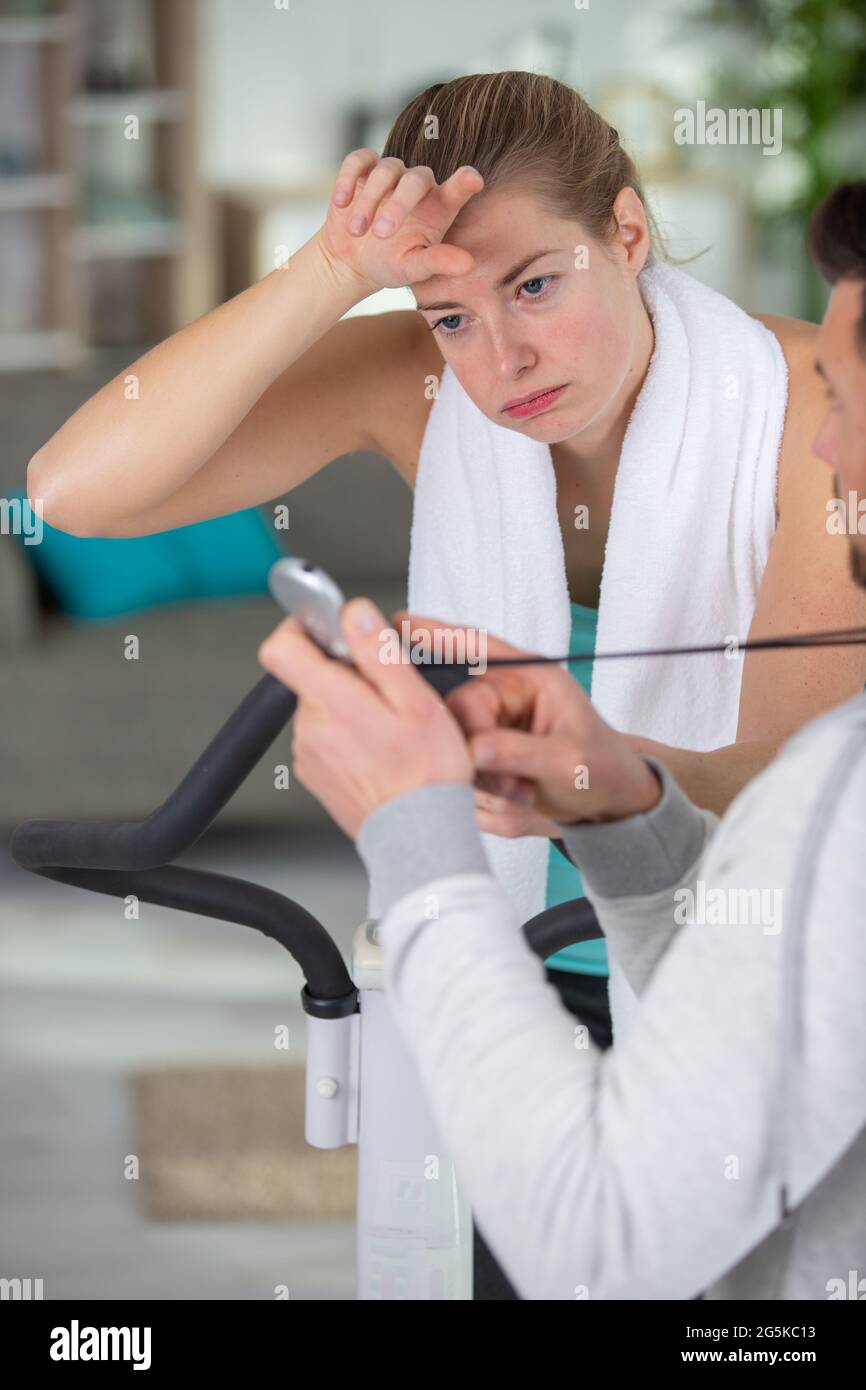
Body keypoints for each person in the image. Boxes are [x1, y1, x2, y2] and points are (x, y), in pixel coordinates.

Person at [28, 75, 866, 1297]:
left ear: (626, 233)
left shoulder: (817, 413)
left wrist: (525, 778)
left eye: (532, 286)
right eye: (449, 315)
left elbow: (792, 800)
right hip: (505, 974)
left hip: (728, 991)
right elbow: (70, 495)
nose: (502, 358)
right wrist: (329, 269)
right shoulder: (418, 381)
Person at [256, 180, 866, 1300]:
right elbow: (782, 1009)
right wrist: (627, 810)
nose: (823, 445)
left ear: (626, 235)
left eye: (844, 398)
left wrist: (417, 843)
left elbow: (596, 1253)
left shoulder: (842, 789)